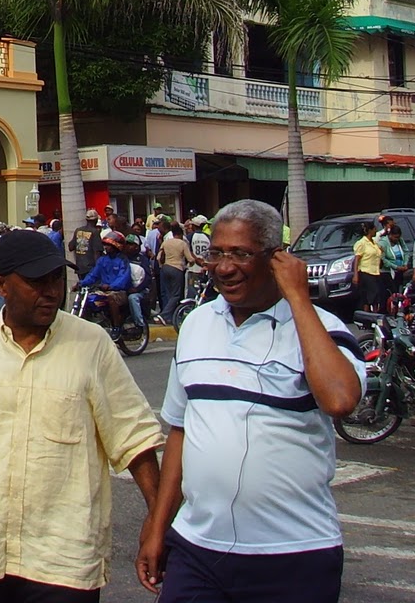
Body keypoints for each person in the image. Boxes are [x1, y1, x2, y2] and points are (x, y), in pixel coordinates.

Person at [0, 228, 164, 601]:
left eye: (56, 279)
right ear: (1, 285)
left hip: (67, 553)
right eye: (36, 282)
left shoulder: (91, 344)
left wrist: (159, 517)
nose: (52, 291)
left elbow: (133, 436)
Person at [137, 199, 366, 603]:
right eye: (217, 253)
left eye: (241, 254)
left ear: (277, 258)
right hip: (197, 551)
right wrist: (158, 528)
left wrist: (297, 299)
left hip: (294, 555)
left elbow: (340, 400)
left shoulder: (320, 330)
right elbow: (180, 430)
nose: (225, 267)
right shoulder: (197, 325)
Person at [78, 234, 134, 330]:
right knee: (88, 299)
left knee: (111, 298)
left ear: (116, 246)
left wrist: (110, 286)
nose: (106, 247)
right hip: (103, 290)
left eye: (109, 245)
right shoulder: (102, 260)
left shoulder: (122, 260)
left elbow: (123, 278)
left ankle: (116, 328)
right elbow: (93, 275)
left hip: (118, 291)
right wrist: (81, 283)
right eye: (105, 245)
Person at [351, 222, 383, 312]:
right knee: (370, 296)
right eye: (374, 229)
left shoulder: (374, 243)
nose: (376, 231)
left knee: (376, 296)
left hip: (375, 272)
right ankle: (367, 316)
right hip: (366, 272)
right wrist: (355, 275)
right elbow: (357, 259)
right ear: (370, 230)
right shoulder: (362, 243)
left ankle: (375, 316)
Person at [158, 223, 190, 314]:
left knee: (167, 293)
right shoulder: (182, 243)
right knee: (176, 294)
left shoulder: (166, 242)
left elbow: (158, 257)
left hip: (165, 268)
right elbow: (190, 258)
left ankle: (168, 314)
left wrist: (161, 266)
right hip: (177, 269)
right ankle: (164, 315)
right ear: (181, 235)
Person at [69, 211, 103, 280]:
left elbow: (71, 247)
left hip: (79, 267)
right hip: (90, 268)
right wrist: (98, 270)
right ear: (96, 220)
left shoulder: (78, 230)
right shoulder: (95, 232)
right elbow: (97, 252)